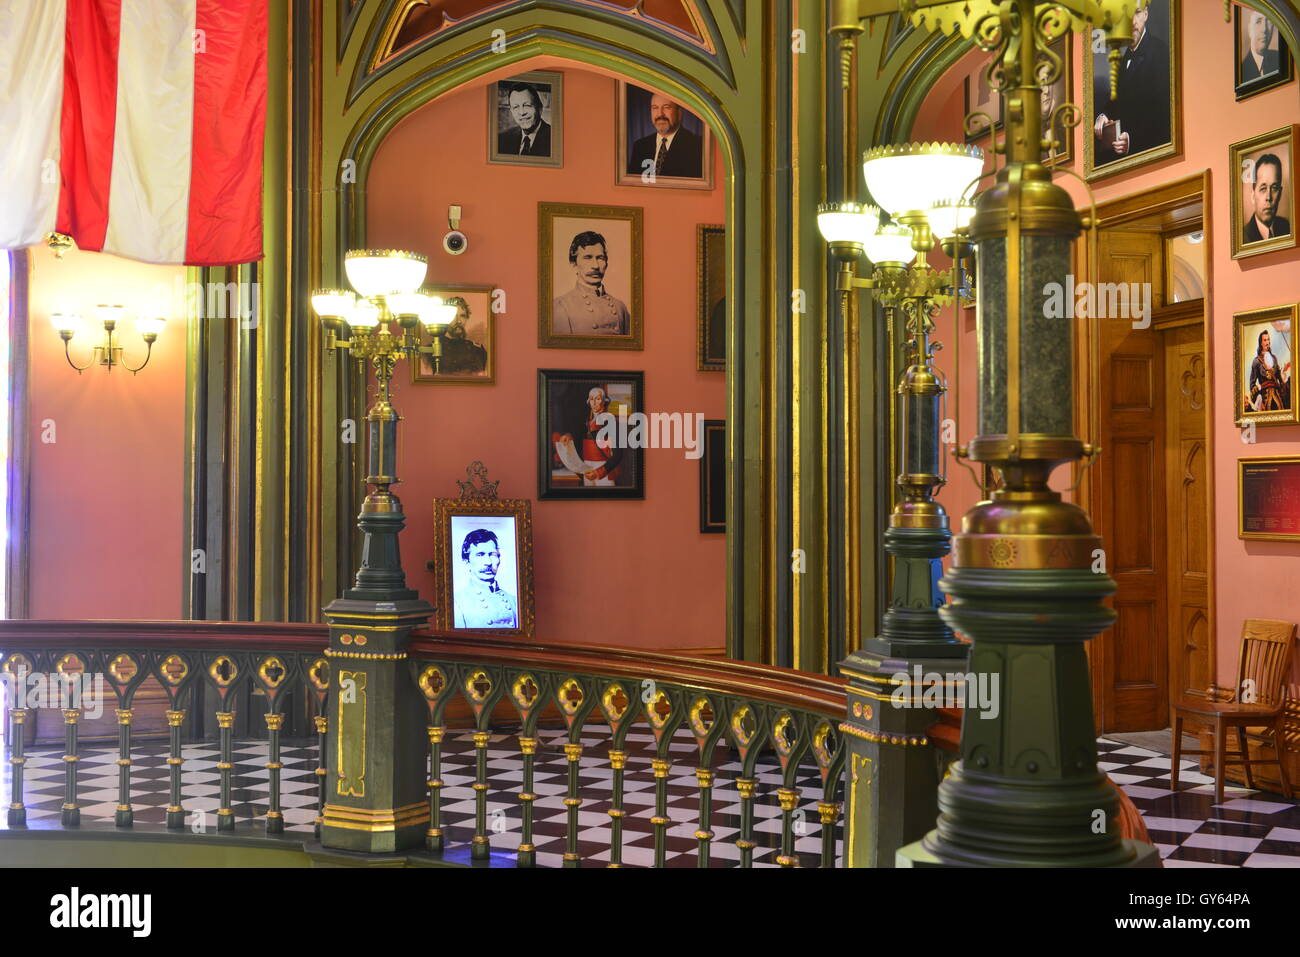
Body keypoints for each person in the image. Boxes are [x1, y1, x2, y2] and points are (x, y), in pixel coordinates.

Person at [1092, 7, 1171, 164]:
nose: (1132, 21)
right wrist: (1104, 115)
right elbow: (1118, 101)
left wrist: (1132, 140)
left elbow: (1165, 111)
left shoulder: (1160, 52)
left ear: (1146, 14)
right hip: (1127, 159)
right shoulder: (1124, 59)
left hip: (1152, 157)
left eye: (1137, 12)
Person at [552, 230, 631, 336]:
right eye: (588, 257)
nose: (596, 266)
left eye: (600, 258)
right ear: (574, 264)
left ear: (606, 264)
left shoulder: (620, 308)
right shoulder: (560, 307)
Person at [627, 92, 703, 178]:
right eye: (655, 108)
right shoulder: (640, 146)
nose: (660, 114)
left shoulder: (697, 145)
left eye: (667, 107)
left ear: (680, 113)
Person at [453, 529, 518, 628]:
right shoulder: (457, 602)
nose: (488, 562)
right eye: (480, 555)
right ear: (466, 561)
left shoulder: (514, 600)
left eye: (493, 555)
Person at [1244, 153, 1290, 243]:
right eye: (1263, 189)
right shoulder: (1244, 237)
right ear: (1253, 195)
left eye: (1274, 188)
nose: (1268, 197)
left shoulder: (1287, 227)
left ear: (1280, 193)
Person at [435, 296, 487, 375]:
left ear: (467, 318)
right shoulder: (432, 349)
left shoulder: (477, 350)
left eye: (462, 316)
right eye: (454, 316)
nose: (459, 321)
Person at [496, 83, 551, 157]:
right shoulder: (502, 139)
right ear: (511, 110)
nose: (522, 113)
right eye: (516, 107)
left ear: (539, 108)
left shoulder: (554, 138)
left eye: (527, 105)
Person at [1249, 329, 1292, 413]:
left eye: (1268, 339)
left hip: (1277, 395)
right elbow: (1252, 384)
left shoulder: (1274, 359)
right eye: (1265, 340)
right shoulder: (1256, 361)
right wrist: (1258, 397)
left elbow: (1279, 378)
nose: (1267, 342)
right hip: (1264, 397)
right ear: (1261, 343)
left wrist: (1283, 371)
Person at [1241, 11, 1281, 83]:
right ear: (1250, 29)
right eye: (1258, 21)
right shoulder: (1242, 71)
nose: (1264, 29)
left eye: (1268, 21)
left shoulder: (1280, 59)